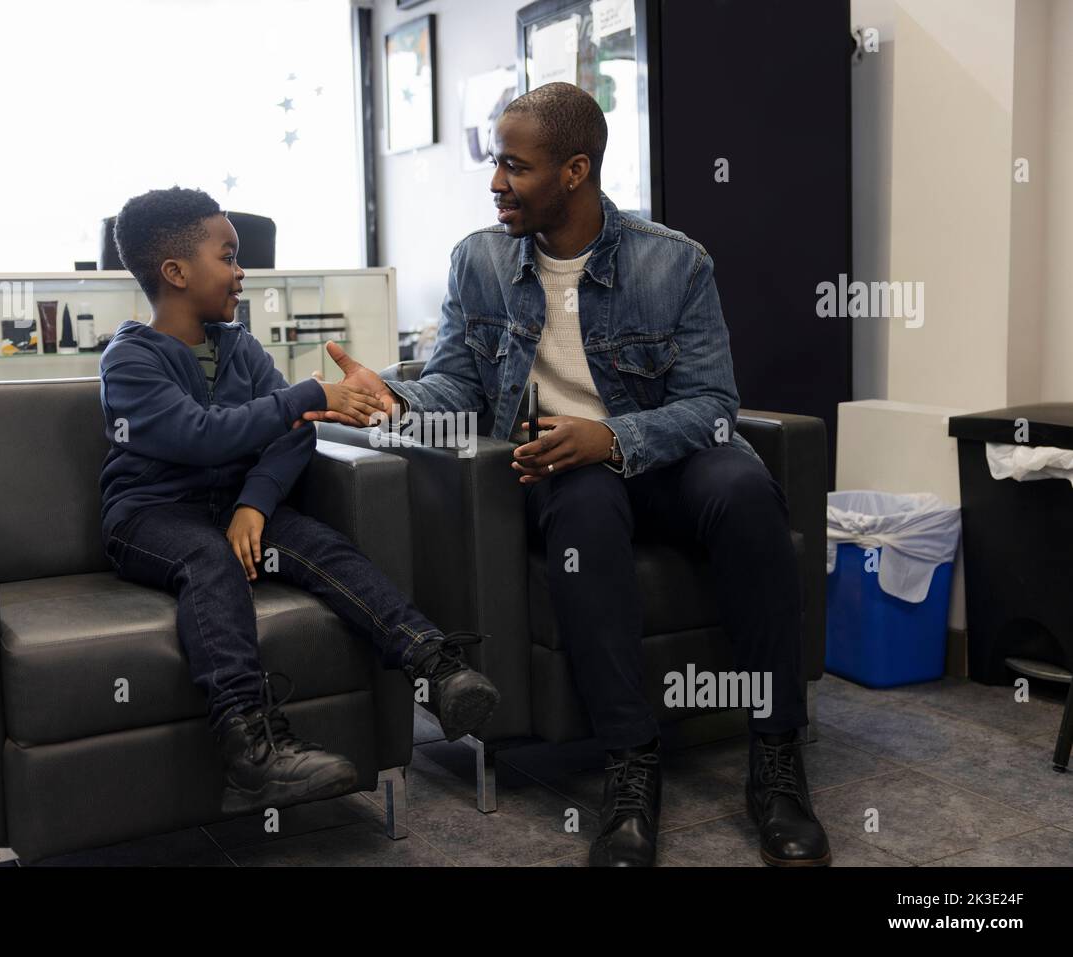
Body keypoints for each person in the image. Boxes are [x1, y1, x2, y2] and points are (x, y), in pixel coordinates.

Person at [308, 84, 831, 867]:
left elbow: (715, 406)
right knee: (584, 508)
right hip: (563, 469)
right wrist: (394, 398)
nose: (495, 184)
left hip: (669, 459)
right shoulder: (480, 261)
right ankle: (630, 767)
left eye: (514, 167)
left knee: (747, 490)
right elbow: (456, 384)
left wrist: (612, 435)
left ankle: (776, 760)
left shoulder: (674, 261)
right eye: (495, 163)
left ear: (576, 170)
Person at [98, 187, 500, 815]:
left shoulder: (241, 348)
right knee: (210, 562)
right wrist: (306, 392)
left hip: (235, 509)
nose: (240, 272)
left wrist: (254, 504)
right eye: (227, 257)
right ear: (175, 273)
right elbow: (199, 436)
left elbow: (295, 434)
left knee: (321, 545)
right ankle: (249, 750)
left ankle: (436, 665)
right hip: (149, 516)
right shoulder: (129, 359)